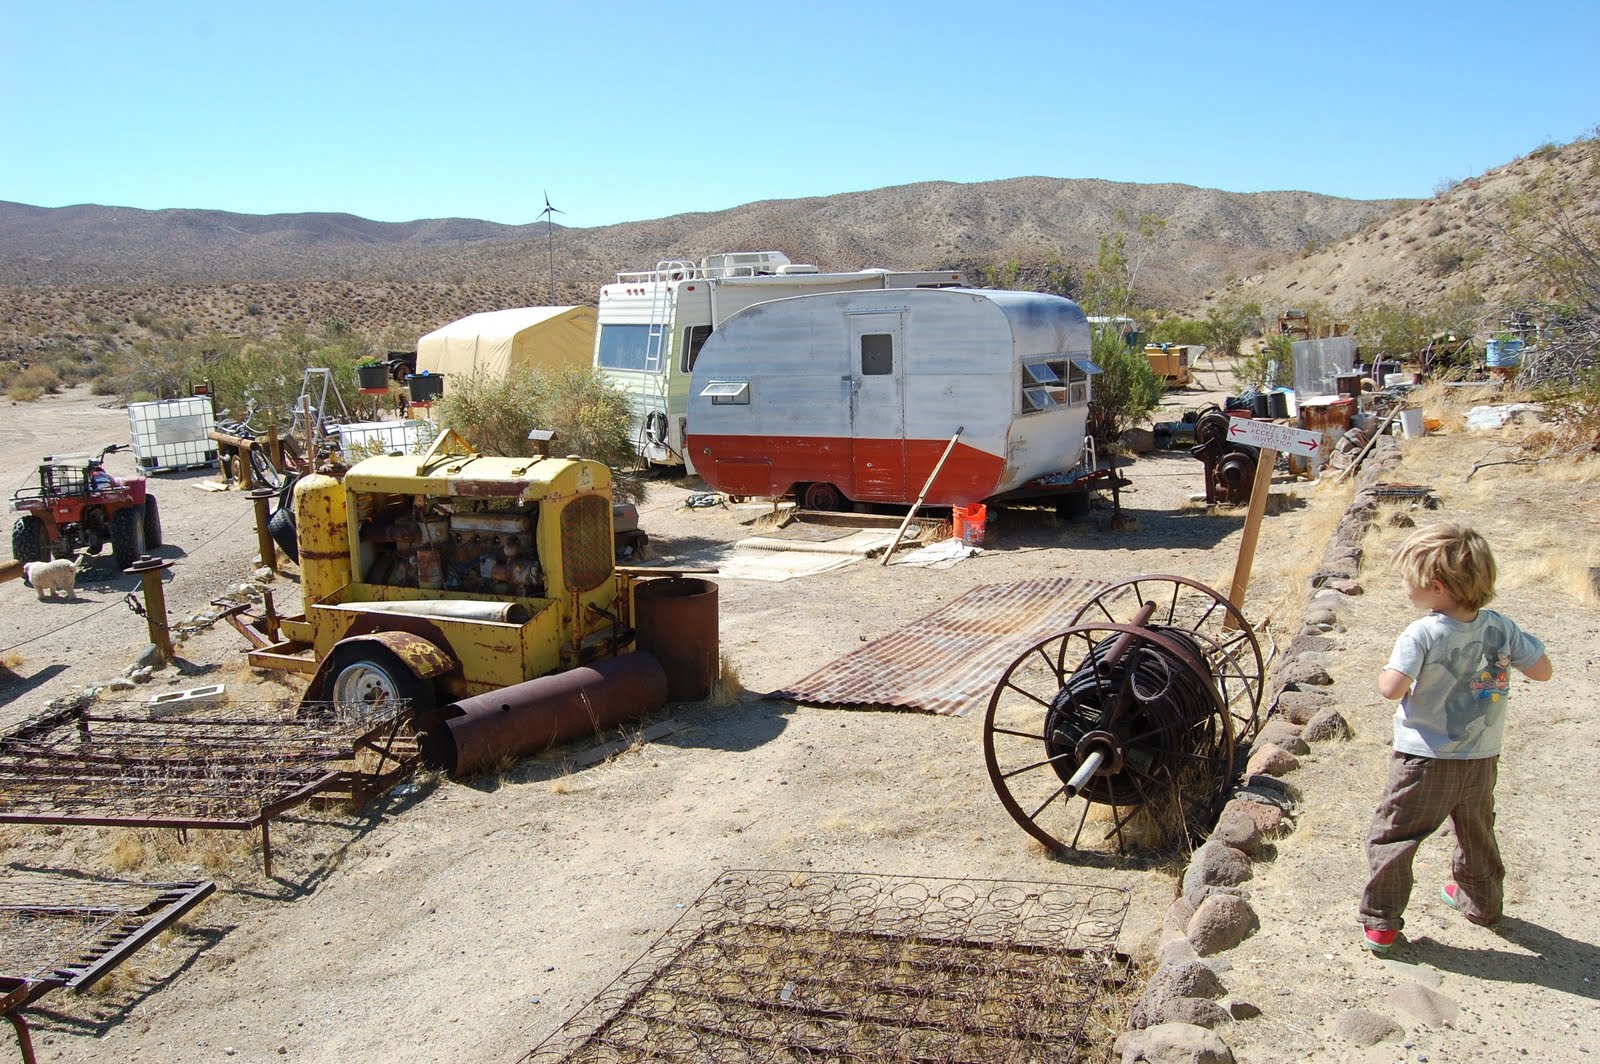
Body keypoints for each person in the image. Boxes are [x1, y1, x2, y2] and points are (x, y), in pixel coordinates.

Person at [1359, 522, 1552, 954]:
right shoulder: (1500, 628)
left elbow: (1391, 688)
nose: (1405, 588)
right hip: (1481, 756)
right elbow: (1543, 670)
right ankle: (1481, 902)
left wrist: (1387, 675)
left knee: (1395, 835)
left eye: (1409, 580)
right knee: (1476, 831)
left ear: (1437, 586)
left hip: (1424, 759)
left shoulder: (1422, 633)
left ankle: (1382, 921)